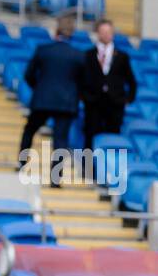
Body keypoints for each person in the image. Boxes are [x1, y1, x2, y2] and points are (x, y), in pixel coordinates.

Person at [18, 15, 84, 186]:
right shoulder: (78, 55)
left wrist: (39, 90)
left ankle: (21, 165)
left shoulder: (43, 50)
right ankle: (55, 179)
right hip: (66, 103)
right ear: (72, 34)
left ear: (56, 32)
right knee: (60, 140)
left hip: (43, 100)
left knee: (30, 130)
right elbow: (83, 82)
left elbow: (28, 75)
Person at [81, 19, 138, 152]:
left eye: (109, 32)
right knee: (90, 135)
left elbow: (131, 81)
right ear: (98, 33)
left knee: (113, 137)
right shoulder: (88, 55)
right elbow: (81, 79)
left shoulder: (122, 56)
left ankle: (110, 170)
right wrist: (84, 97)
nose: (106, 35)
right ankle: (89, 169)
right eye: (103, 32)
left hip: (115, 104)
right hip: (93, 103)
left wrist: (127, 100)